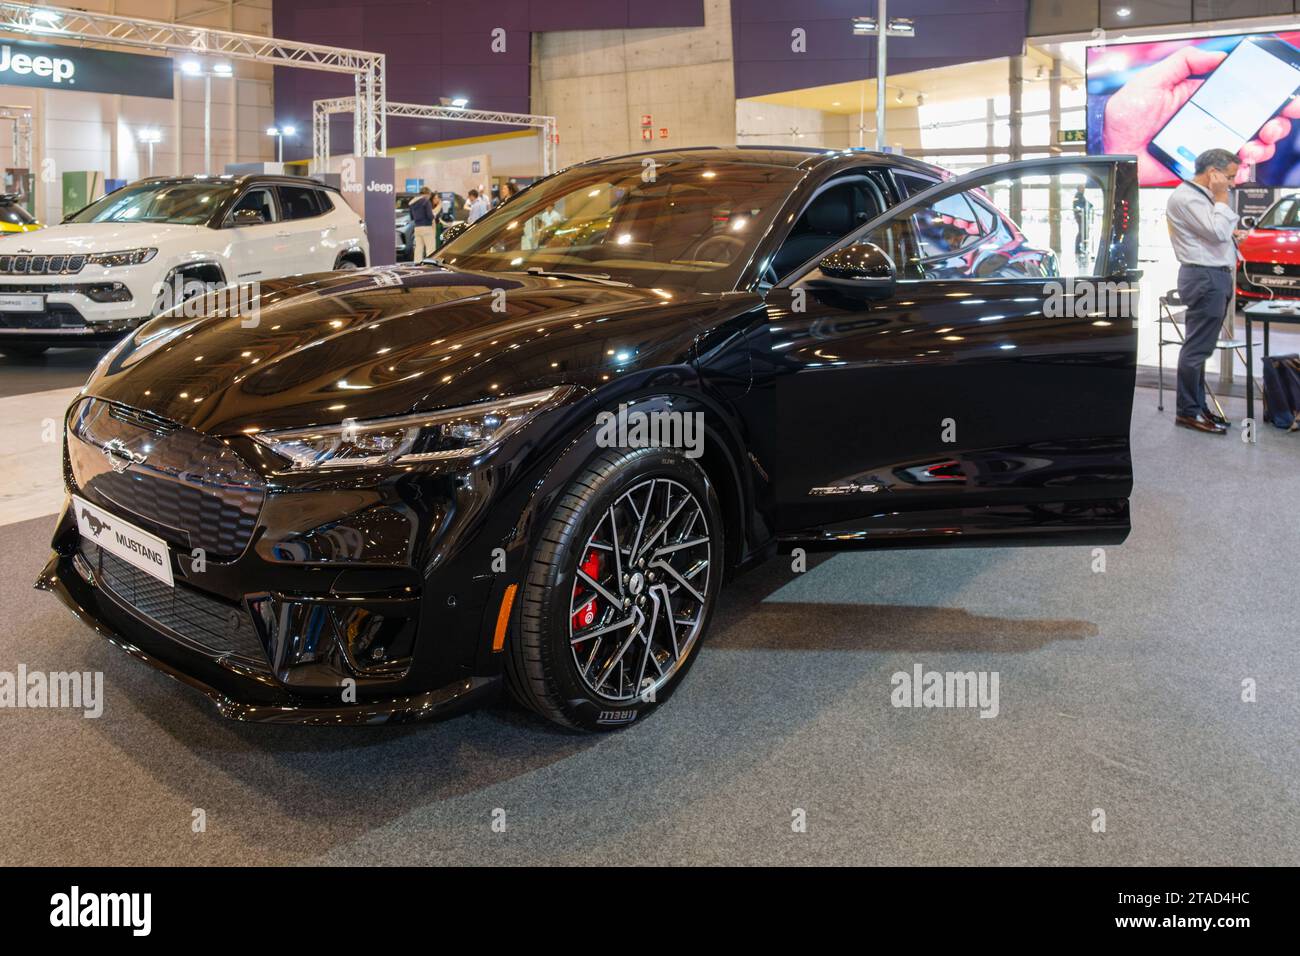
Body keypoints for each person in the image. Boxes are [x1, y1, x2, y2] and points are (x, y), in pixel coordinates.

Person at [1165, 147, 1242, 434]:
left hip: (1212, 276)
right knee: (1196, 349)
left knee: (1199, 347)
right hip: (1204, 277)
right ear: (1214, 173)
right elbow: (1217, 231)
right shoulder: (1186, 198)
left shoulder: (1200, 197)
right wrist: (1222, 198)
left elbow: (1217, 234)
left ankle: (1197, 407)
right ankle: (1187, 411)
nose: (1232, 183)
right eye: (1230, 177)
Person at [409, 186, 436, 262]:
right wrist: (434, 215)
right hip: (426, 227)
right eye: (430, 195)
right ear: (427, 194)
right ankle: (430, 264)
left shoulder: (411, 203)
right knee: (430, 248)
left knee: (418, 248)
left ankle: (417, 263)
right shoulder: (425, 201)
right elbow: (430, 216)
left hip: (417, 228)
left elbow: (411, 217)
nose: (429, 197)